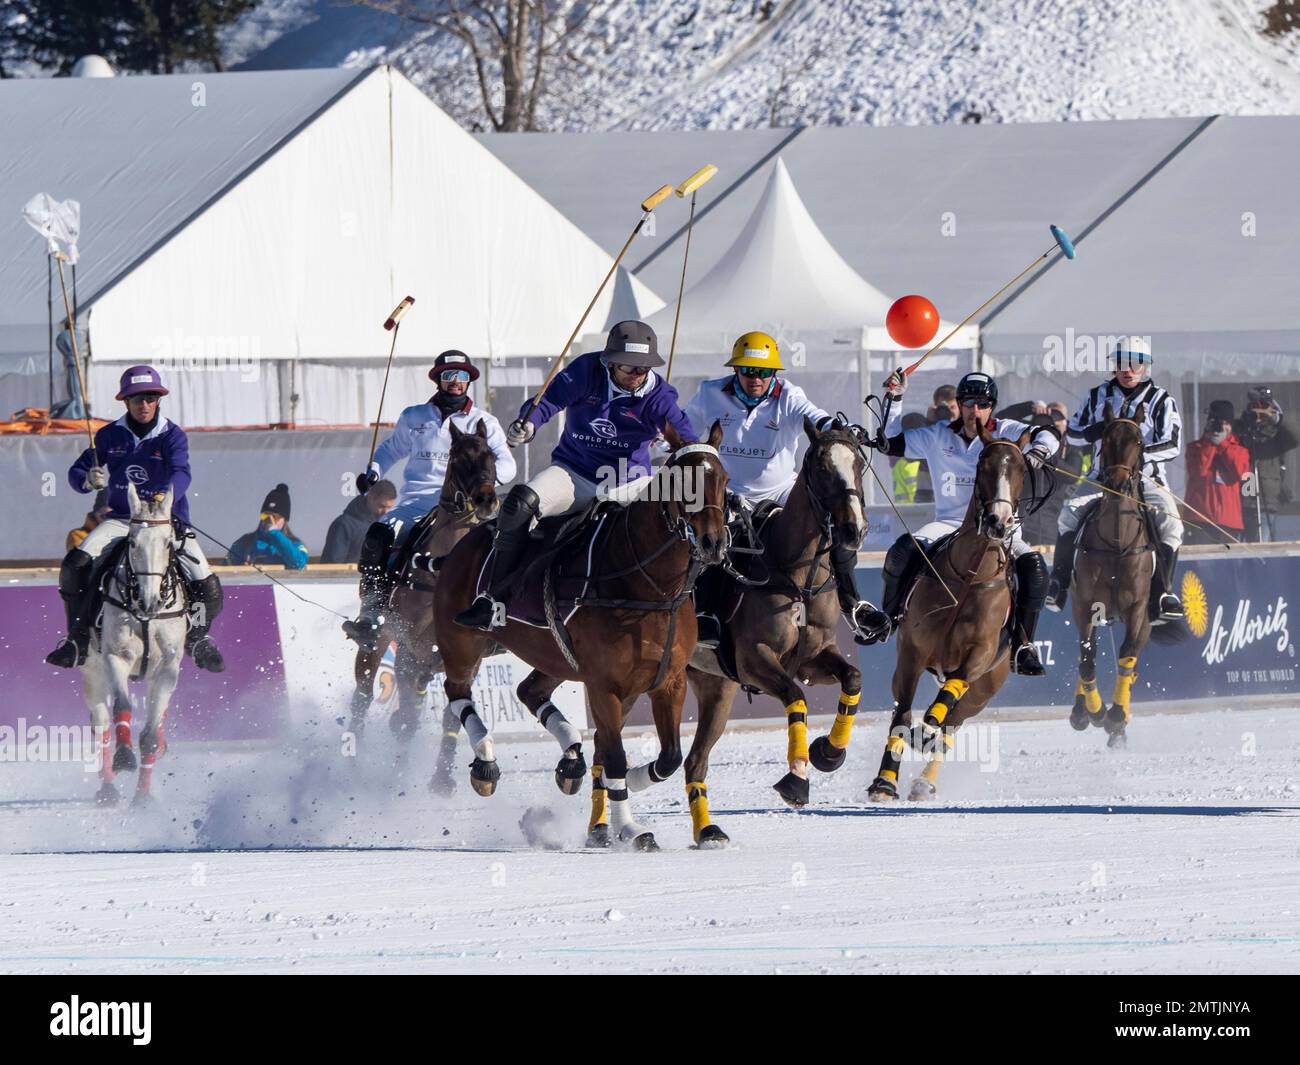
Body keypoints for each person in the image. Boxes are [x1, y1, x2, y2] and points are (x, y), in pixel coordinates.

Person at [454, 321, 696, 632]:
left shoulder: (658, 395)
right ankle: (494, 600)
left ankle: (692, 610)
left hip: (630, 483)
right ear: (609, 361)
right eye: (629, 366)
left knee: (682, 521)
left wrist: (681, 450)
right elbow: (549, 401)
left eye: (644, 367)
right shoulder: (586, 371)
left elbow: (687, 439)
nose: (637, 374)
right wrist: (529, 424)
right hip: (574, 473)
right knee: (518, 503)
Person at [681, 331, 886, 646]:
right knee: (711, 542)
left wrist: (840, 429)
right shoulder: (710, 394)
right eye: (749, 371)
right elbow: (684, 427)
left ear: (774, 373)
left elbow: (817, 419)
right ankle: (707, 613)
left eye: (764, 372)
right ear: (736, 370)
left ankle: (852, 604)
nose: (756, 379)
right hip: (731, 494)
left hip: (780, 493)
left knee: (833, 530)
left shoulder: (788, 395)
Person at [865, 370, 1059, 676]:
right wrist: (896, 399)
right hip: (950, 524)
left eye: (982, 404)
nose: (975, 411)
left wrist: (1038, 451)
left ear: (992, 406)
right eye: (968, 403)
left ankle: (1023, 645)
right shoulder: (938, 434)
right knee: (902, 550)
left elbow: (1049, 432)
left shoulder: (1009, 430)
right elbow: (890, 442)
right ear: (960, 404)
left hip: (1000, 528)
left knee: (1034, 568)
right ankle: (889, 620)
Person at [45, 365, 225, 672]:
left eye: (151, 398)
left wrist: (164, 497)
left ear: (158, 400)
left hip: (165, 521)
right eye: (138, 398)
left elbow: (182, 472)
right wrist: (90, 479)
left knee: (205, 580)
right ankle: (77, 640)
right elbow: (76, 474)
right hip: (122, 521)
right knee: (75, 565)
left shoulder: (171, 435)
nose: (145, 404)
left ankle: (197, 637)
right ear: (125, 402)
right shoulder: (108, 435)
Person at [344, 350, 515, 646]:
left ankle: (502, 614)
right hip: (417, 503)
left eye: (462, 376)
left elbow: (508, 464)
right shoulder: (414, 416)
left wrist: (484, 483)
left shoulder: (483, 420)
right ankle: (371, 612)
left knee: (503, 544)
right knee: (378, 534)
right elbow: (391, 450)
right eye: (449, 375)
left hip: (466, 507)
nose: (456, 382)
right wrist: (374, 470)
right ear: (438, 379)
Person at [1046, 336, 1184, 620]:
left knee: (1171, 524)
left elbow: (1173, 444)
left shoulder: (1161, 399)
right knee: (1068, 514)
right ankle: (1058, 583)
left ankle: (1163, 592)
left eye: (1135, 364)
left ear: (1145, 367)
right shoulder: (1097, 395)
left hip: (1147, 478)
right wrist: (1092, 431)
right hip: (1101, 476)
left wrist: (1139, 457)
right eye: (1122, 363)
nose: (1128, 370)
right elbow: (1071, 432)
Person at [1183, 400, 1250, 545]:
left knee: (1229, 566)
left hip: (1229, 522)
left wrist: (1223, 444)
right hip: (1199, 520)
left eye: (1226, 423)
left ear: (1231, 426)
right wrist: (1209, 443)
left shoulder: (1240, 450)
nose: (1222, 427)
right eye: (1217, 422)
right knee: (1198, 566)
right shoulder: (1195, 448)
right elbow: (1198, 472)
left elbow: (1240, 473)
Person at [1237, 386, 1297, 543]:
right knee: (1238, 550)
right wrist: (1246, 421)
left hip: (1266, 503)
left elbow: (1295, 437)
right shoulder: (1242, 429)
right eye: (1255, 406)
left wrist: (1275, 418)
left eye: (1263, 407)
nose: (1259, 411)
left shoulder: (1276, 434)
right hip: (1241, 502)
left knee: (1262, 547)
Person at [226, 484, 309, 568]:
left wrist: (275, 534)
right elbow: (226, 569)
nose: (269, 520)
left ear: (284, 520)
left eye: (275, 517)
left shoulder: (295, 544)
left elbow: (298, 564)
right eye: (265, 515)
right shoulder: (245, 542)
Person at [322, 479, 398, 564]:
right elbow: (332, 566)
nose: (386, 512)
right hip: (349, 577)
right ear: (371, 498)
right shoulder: (343, 525)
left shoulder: (388, 527)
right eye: (382, 506)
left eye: (390, 507)